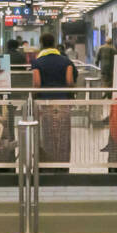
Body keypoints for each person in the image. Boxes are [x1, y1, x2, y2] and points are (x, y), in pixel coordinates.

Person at [31, 33, 75, 164]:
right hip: (62, 102)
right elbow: (69, 82)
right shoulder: (66, 61)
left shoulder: (37, 62)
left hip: (45, 103)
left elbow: (37, 84)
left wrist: (34, 98)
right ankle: (63, 165)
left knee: (47, 135)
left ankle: (47, 164)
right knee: (64, 135)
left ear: (42, 44)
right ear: (54, 43)